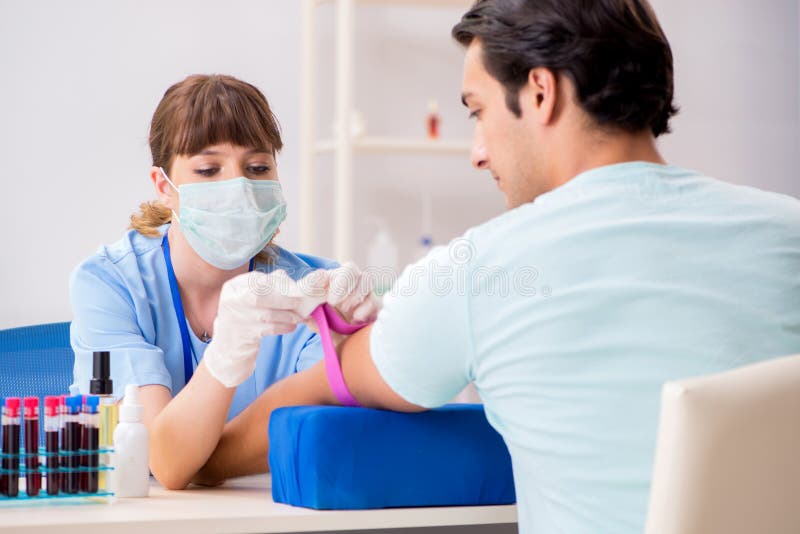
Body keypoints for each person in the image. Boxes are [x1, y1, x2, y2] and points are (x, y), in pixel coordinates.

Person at [196, 1, 800, 532]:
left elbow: (331, 383)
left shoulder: (481, 266)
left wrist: (208, 460)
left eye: (478, 111)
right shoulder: (788, 231)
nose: (478, 152)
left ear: (541, 92)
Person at [69, 74, 377, 490]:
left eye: (257, 167)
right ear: (165, 186)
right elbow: (165, 463)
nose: (240, 188)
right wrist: (227, 353)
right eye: (209, 169)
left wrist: (354, 352)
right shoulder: (110, 283)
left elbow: (333, 434)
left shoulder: (308, 292)